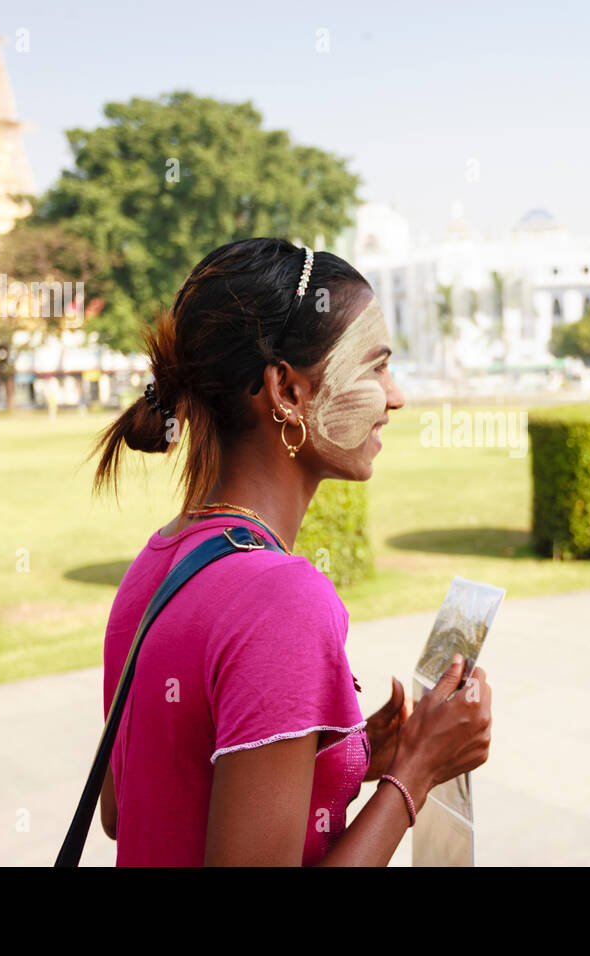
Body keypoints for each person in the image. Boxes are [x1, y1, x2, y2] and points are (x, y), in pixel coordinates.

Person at [90, 238, 492, 865]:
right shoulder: (281, 598)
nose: (396, 395)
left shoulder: (155, 565)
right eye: (375, 366)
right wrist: (415, 773)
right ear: (287, 390)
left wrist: (347, 758)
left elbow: (128, 809)